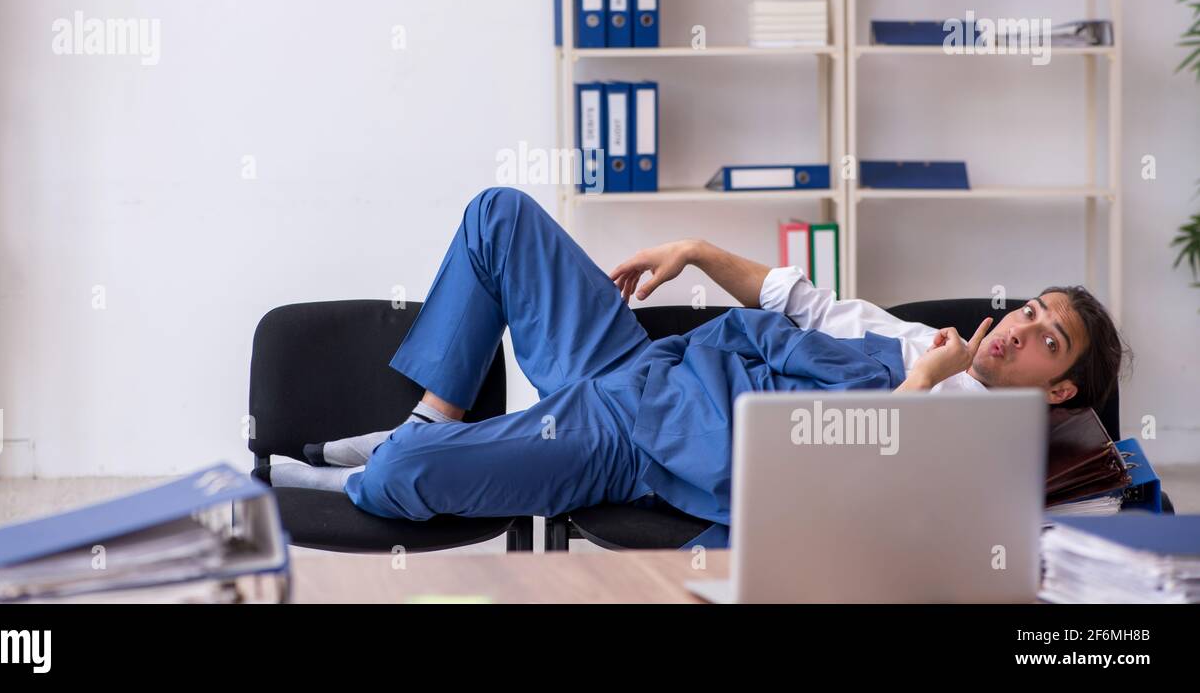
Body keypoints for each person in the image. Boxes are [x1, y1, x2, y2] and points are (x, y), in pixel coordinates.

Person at [254, 187, 1127, 547]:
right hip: (645, 359)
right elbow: (800, 301)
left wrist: (922, 390)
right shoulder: (910, 335)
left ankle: (402, 451)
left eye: (1048, 338)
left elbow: (846, 487)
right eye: (1030, 309)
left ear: (1058, 387)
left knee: (407, 474)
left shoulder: (968, 432)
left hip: (642, 437)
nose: (1021, 327)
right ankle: (432, 418)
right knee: (500, 216)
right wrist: (696, 249)